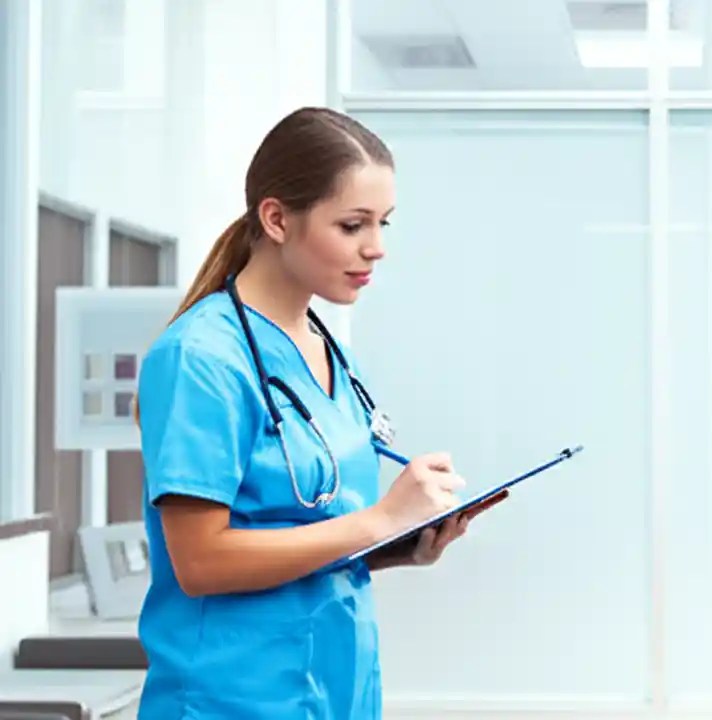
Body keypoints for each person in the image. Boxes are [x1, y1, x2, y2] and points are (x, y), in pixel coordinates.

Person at [133, 107, 505, 719]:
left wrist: (396, 545)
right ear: (276, 218)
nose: (376, 248)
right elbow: (199, 562)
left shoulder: (327, 350)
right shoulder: (202, 357)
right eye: (353, 224)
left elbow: (307, 532)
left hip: (337, 691)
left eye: (383, 223)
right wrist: (380, 519)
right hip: (230, 700)